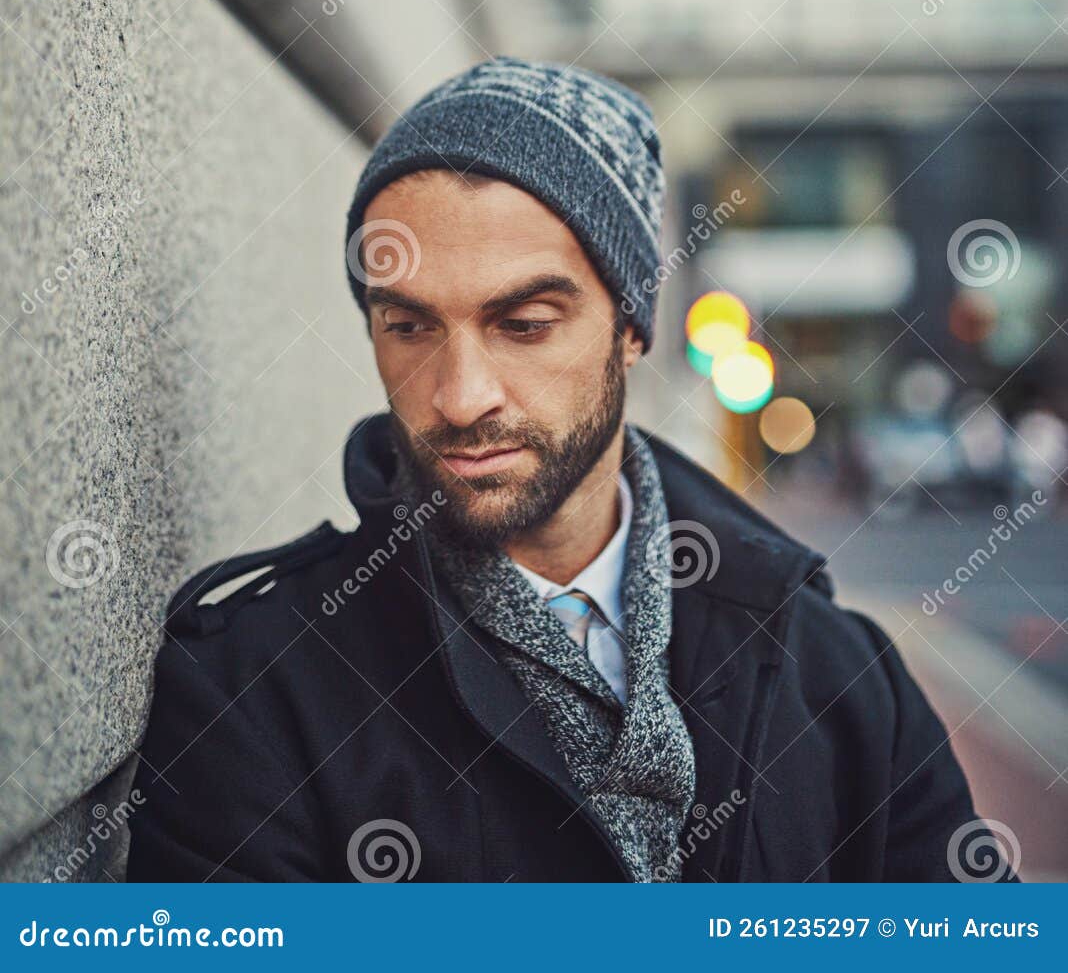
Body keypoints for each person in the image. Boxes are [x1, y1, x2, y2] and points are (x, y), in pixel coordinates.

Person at [127, 56, 1010, 883]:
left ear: (630, 329)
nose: (462, 396)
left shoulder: (841, 679)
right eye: (410, 327)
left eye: (524, 324)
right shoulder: (253, 689)